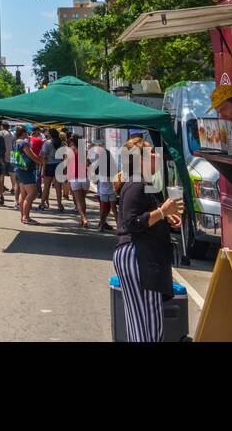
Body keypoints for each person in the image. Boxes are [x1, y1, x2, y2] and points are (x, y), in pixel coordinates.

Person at [113, 135, 182, 341]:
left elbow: (141, 219)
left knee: (143, 324)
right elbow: (132, 222)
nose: (157, 155)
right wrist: (161, 212)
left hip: (140, 255)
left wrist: (164, 218)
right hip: (139, 256)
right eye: (152, 152)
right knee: (148, 326)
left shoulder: (141, 182)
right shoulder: (136, 183)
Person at [90, 139, 115, 231]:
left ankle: (102, 223)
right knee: (107, 205)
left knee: (104, 204)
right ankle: (103, 222)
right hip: (106, 180)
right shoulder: (106, 153)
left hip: (104, 180)